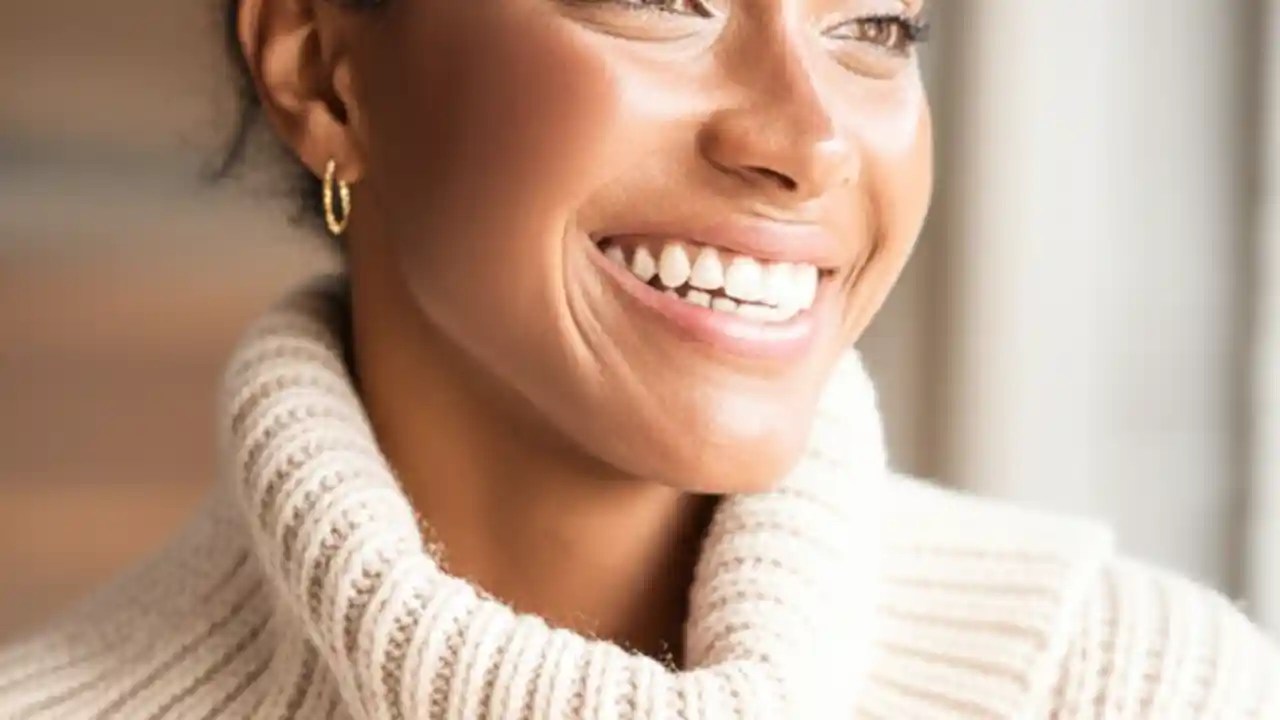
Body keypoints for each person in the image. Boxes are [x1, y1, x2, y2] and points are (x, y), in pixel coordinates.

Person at [1, 1, 1276, 717]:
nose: (808, 137)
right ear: (325, 70)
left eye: (876, 25)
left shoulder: (1136, 690)